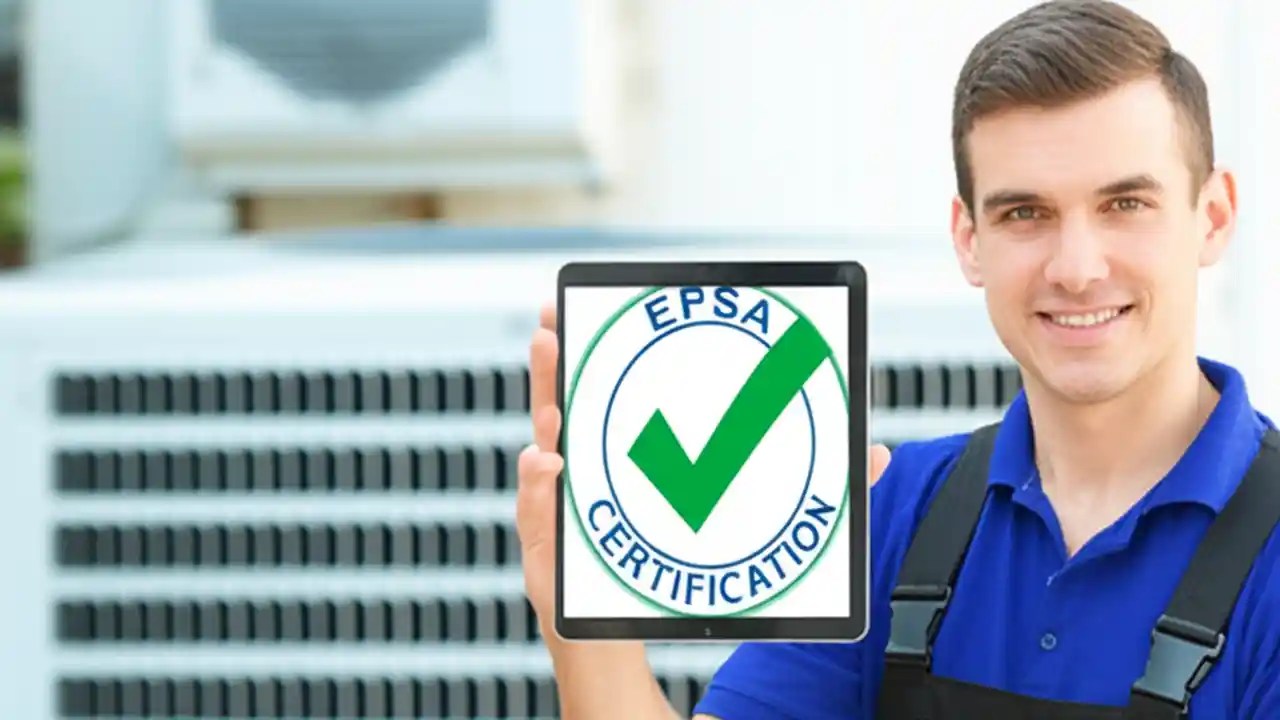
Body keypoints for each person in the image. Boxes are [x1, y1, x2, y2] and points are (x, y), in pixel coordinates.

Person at [515, 0, 1280, 717]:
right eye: (1025, 213)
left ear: (1212, 218)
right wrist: (587, 631)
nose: (1076, 267)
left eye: (1124, 205)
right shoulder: (893, 515)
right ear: (968, 240)